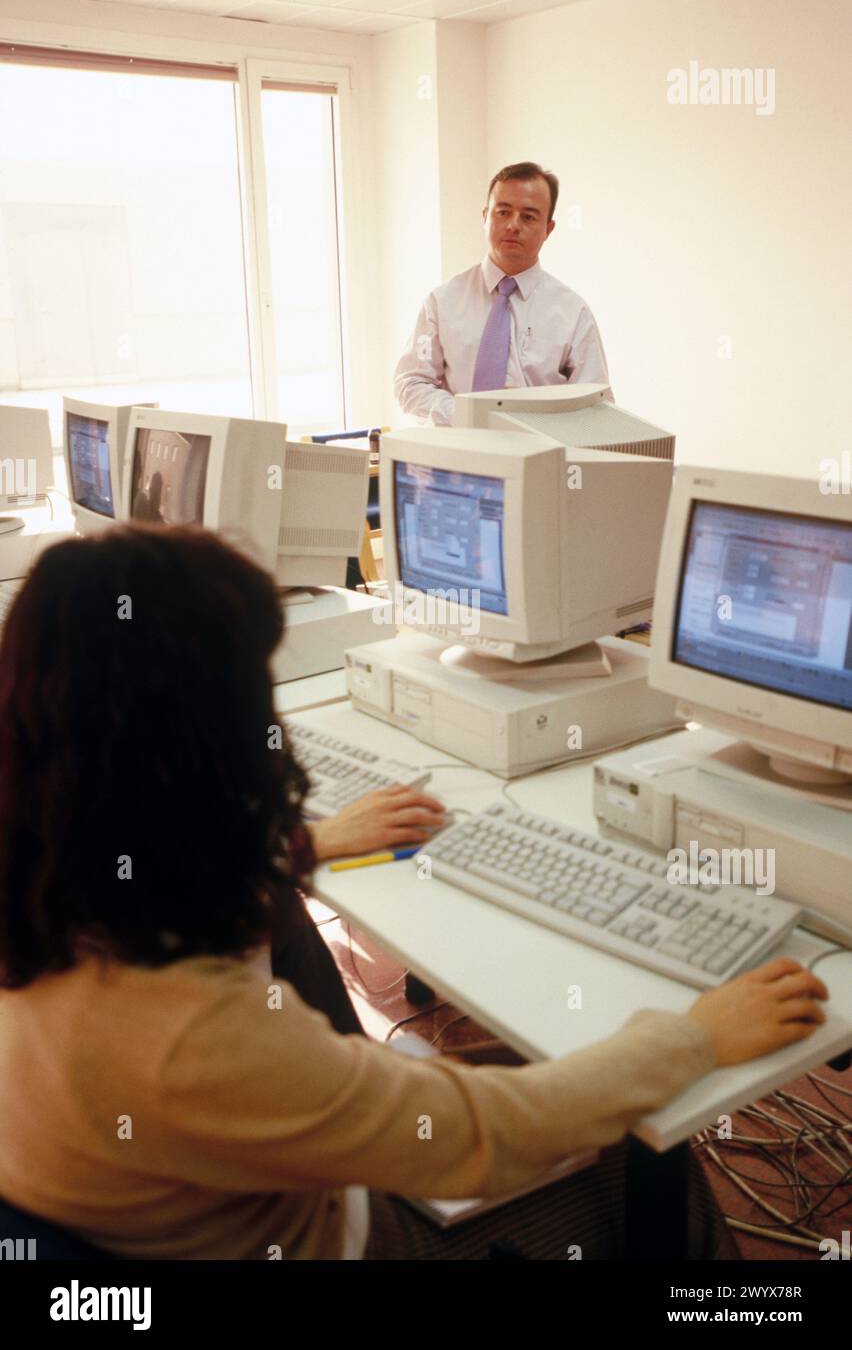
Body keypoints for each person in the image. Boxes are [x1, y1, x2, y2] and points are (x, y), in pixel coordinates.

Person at [0, 525, 829, 1260]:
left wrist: (313, 844)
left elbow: (161, 865)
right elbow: (496, 1133)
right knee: (642, 1153)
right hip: (341, 1233)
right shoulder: (197, 1045)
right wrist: (696, 1038)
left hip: (208, 1194)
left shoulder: (51, 881)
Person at [394, 161, 612, 428]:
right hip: (457, 457)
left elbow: (595, 406)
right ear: (485, 216)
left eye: (529, 216)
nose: (513, 225)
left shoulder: (573, 313)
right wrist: (465, 416)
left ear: (549, 228)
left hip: (541, 458)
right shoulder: (442, 302)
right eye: (503, 212)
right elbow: (410, 382)